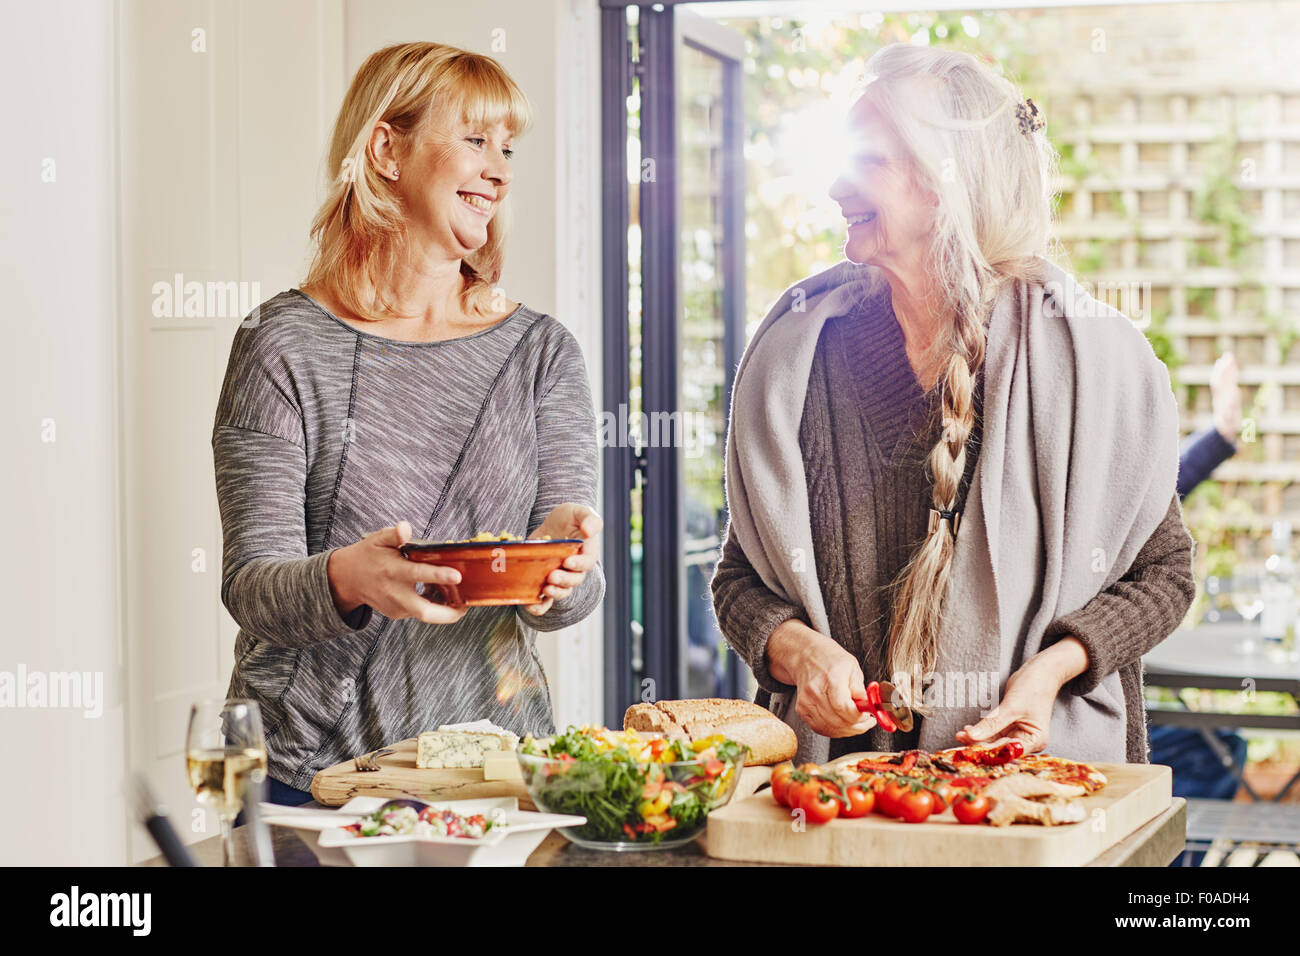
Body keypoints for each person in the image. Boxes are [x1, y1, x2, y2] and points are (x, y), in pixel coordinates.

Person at [712, 43, 1196, 767]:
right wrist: (795, 649)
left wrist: (1049, 673)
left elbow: (1166, 574)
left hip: (1024, 786)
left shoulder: (1091, 362)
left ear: (943, 184)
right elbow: (740, 580)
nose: (836, 184)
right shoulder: (800, 361)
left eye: (866, 160)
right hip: (837, 801)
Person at [213, 42, 604, 807]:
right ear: (386, 150)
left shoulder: (541, 352)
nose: (500, 170)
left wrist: (564, 562)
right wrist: (346, 577)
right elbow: (250, 584)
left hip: (491, 769)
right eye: (475, 140)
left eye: (508, 147)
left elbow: (572, 599)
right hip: (303, 771)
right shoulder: (281, 343)